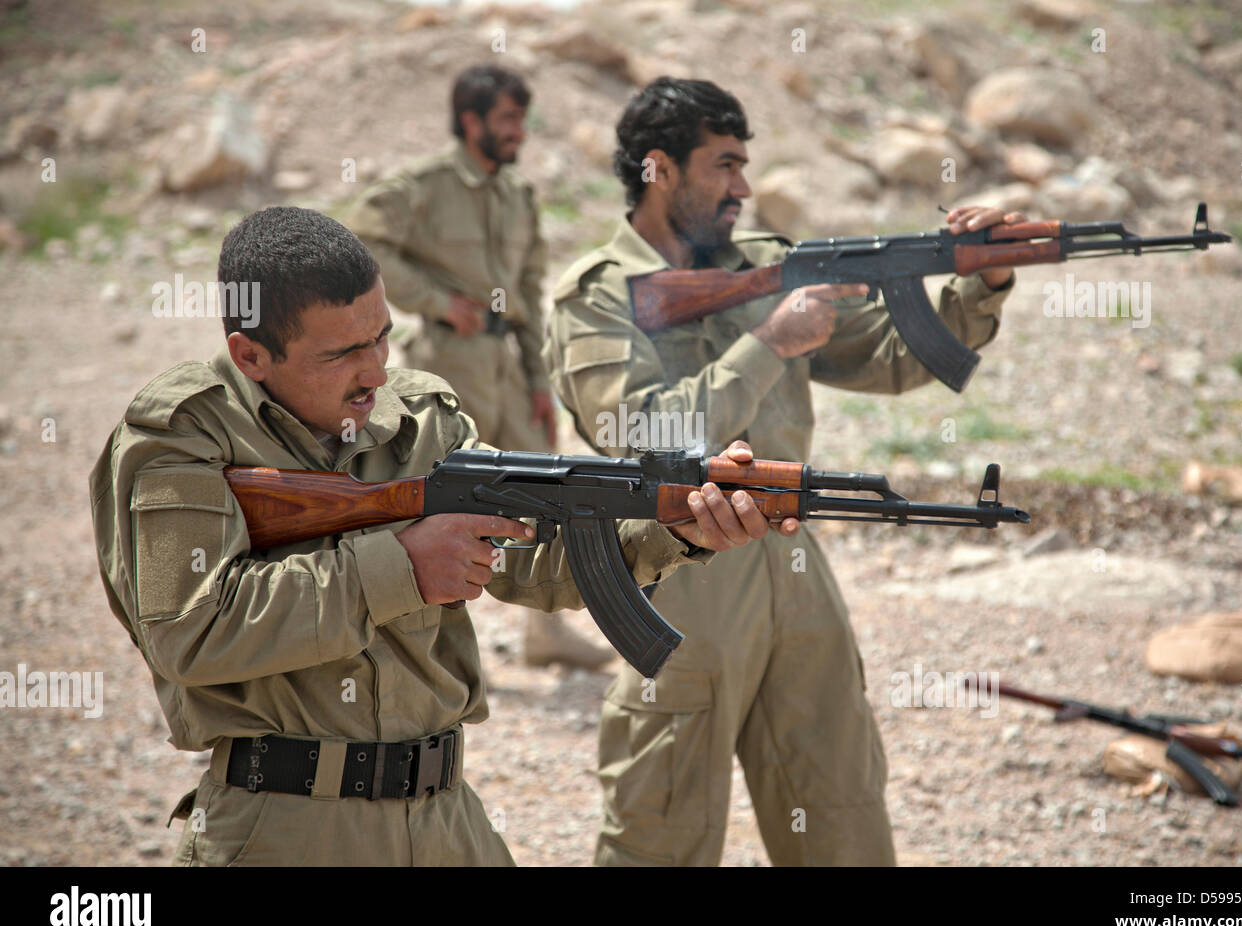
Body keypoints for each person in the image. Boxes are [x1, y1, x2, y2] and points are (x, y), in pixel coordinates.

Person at [88, 206, 789, 866]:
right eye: (341, 354)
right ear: (249, 356)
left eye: (382, 336)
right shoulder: (184, 435)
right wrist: (400, 567)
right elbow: (192, 630)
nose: (376, 371)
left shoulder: (421, 419)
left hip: (444, 819)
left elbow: (534, 563)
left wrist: (673, 529)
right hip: (286, 825)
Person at [543, 77, 1023, 866]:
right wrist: (768, 340)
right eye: (724, 166)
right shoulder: (596, 294)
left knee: (840, 809)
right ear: (658, 170)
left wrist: (983, 277)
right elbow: (638, 428)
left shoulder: (771, 265)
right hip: (679, 577)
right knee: (660, 829)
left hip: (796, 566)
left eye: (746, 165)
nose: (744, 186)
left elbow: (898, 357)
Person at [349, 64, 611, 670]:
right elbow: (364, 245)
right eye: (508, 120)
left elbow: (528, 287)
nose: (520, 131)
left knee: (546, 496)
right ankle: (417, 645)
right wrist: (438, 302)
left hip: (509, 369)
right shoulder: (425, 186)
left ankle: (544, 634)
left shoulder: (518, 195)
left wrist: (542, 385)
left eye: (522, 119)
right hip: (447, 369)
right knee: (437, 502)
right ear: (471, 122)